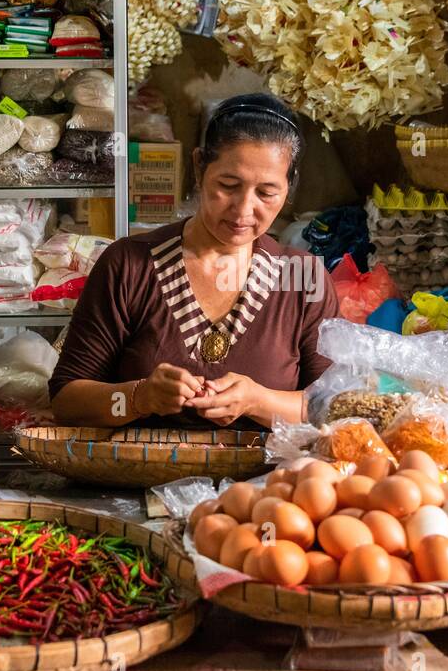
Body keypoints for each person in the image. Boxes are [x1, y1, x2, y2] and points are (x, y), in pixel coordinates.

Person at [49, 93, 339, 428]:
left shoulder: (303, 278)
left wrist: (258, 402)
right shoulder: (128, 265)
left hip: (265, 481)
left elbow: (331, 408)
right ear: (199, 167)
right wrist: (138, 398)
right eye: (228, 186)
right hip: (136, 476)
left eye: (266, 193)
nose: (244, 210)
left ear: (290, 187)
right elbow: (67, 403)